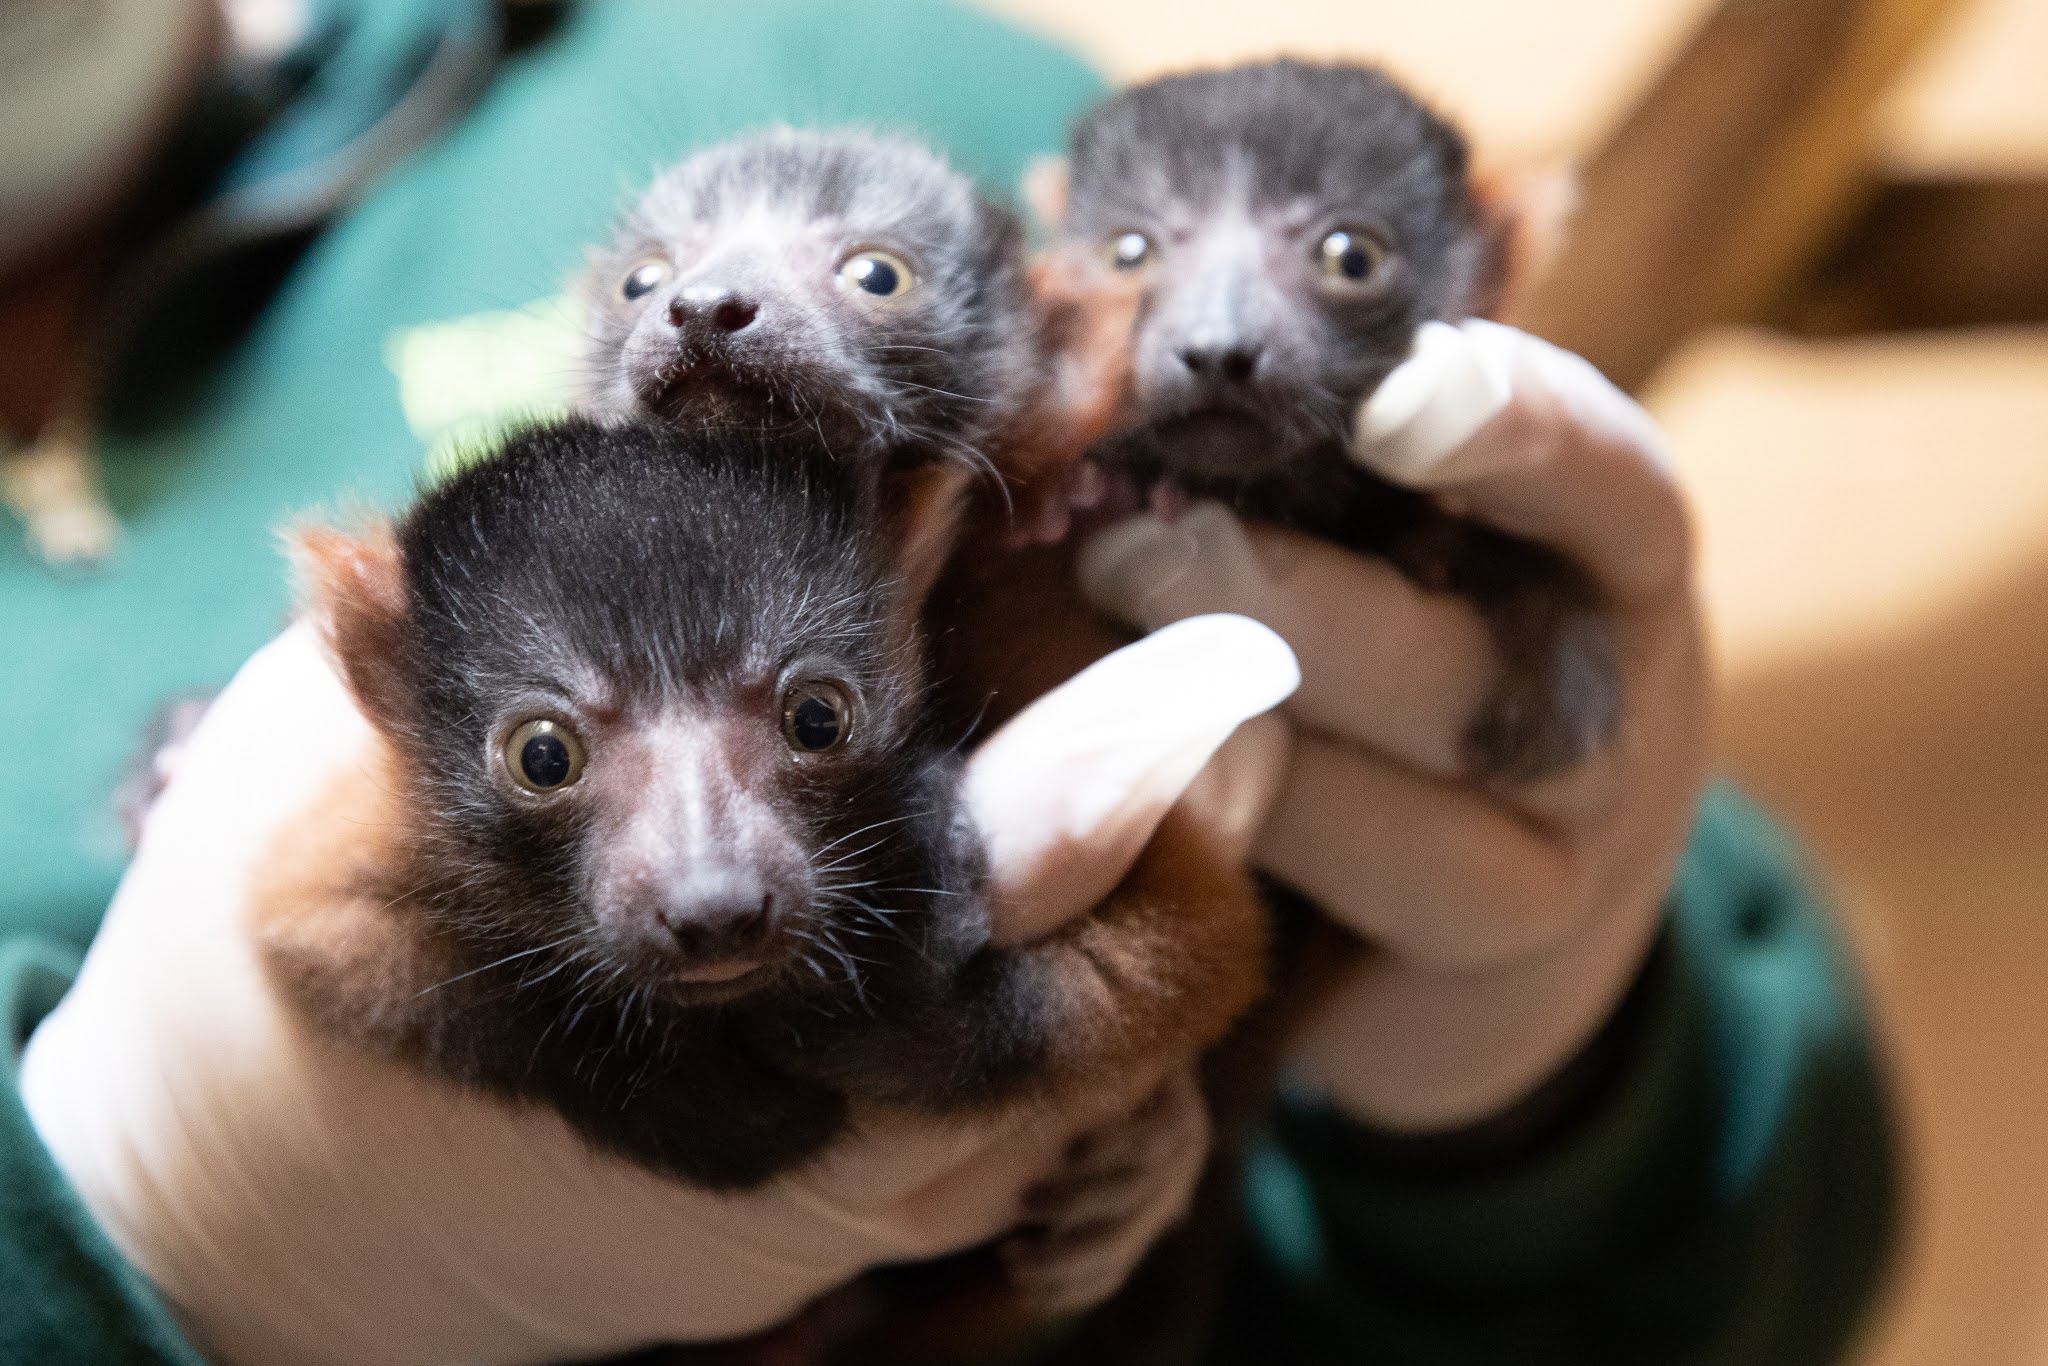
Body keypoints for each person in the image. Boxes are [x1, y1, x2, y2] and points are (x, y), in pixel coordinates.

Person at [0, 2, 1893, 1363]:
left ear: (1068, 338)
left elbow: (1727, 1286)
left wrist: (1546, 1084)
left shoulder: (902, 92)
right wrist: (139, 1232)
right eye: (659, 278)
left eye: (878, 280)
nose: (721, 306)